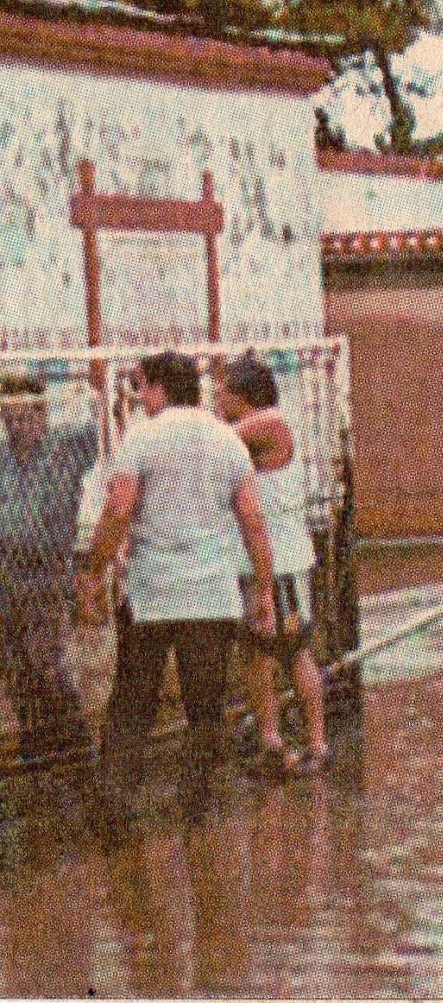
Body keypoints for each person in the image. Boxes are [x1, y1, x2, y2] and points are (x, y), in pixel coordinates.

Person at [77, 351, 276, 827]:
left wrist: (93, 569)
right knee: (205, 707)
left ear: (161, 388)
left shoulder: (142, 439)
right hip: (213, 595)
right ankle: (196, 808)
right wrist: (263, 587)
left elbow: (120, 509)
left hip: (151, 595)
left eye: (143, 387)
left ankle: (115, 810)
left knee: (132, 704)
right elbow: (252, 518)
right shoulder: (227, 442)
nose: (141, 398)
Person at [217, 355, 330, 778]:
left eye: (223, 390)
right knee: (260, 654)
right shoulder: (258, 426)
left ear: (243, 395)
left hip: (280, 562)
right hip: (258, 560)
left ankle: (316, 743)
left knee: (291, 650)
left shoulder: (269, 423)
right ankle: (272, 743)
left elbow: (216, 441)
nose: (217, 397)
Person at [0, 372, 96, 766]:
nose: (17, 425)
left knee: (46, 658)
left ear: (43, 414)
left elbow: (94, 418)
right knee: (14, 661)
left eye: (25, 415)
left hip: (49, 568)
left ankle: (72, 743)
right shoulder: (3, 458)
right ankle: (34, 741)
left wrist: (71, 386)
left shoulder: (67, 448)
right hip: (7, 569)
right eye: (9, 417)